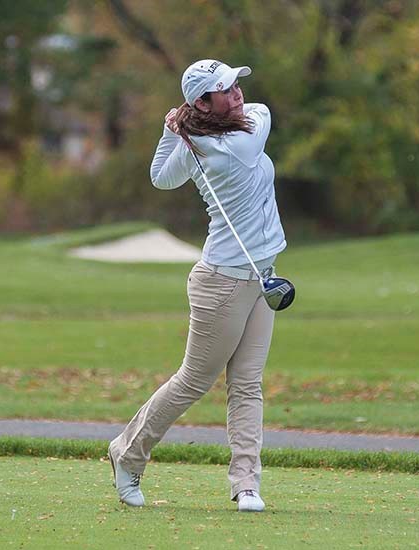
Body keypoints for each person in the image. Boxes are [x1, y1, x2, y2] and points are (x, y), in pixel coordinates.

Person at [107, 59, 286, 513]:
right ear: (202, 102)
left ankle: (247, 484)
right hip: (222, 283)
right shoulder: (240, 142)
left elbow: (162, 175)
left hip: (260, 274)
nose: (238, 93)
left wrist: (175, 128)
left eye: (235, 84)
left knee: (248, 384)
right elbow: (263, 112)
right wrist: (182, 126)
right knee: (193, 381)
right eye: (224, 90)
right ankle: (127, 453)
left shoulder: (196, 144)